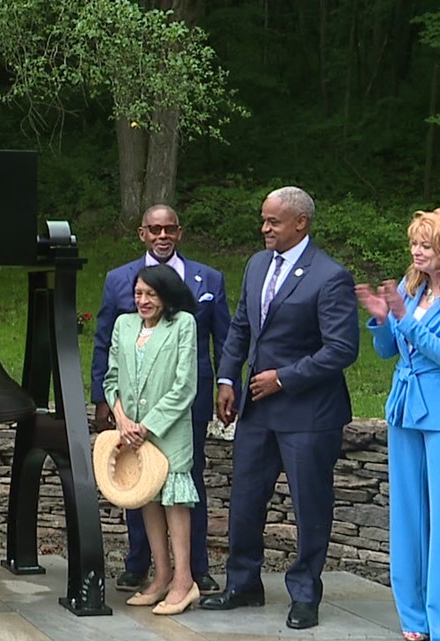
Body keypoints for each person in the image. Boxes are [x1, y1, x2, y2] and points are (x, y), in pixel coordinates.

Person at [200, 186, 359, 631]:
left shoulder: (330, 276)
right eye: (264, 220)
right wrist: (228, 379)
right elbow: (242, 327)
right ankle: (243, 583)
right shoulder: (256, 265)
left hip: (309, 414)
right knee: (246, 499)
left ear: (300, 223)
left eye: (273, 221)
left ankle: (305, 593)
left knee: (310, 505)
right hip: (257, 410)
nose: (264, 228)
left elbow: (342, 350)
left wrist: (284, 377)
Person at [91, 204, 230, 596]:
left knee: (186, 485)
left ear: (179, 232)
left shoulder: (210, 278)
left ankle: (195, 569)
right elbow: (105, 344)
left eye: (169, 228)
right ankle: (141, 565)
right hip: (130, 411)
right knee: (139, 482)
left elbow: (224, 337)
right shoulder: (118, 280)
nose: (162, 235)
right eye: (155, 229)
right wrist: (106, 401)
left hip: (186, 404)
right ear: (143, 233)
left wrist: (226, 382)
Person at [356, 209, 440, 641]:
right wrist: (383, 318)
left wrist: (404, 318)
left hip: (439, 412)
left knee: (439, 519)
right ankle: (414, 619)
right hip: (406, 408)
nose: (417, 251)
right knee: (407, 515)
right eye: (414, 244)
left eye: (426, 244)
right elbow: (391, 351)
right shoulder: (412, 288)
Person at [103, 264, 201, 615]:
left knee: (174, 500)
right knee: (148, 498)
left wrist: (147, 426)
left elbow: (185, 385)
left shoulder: (183, 324)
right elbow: (111, 376)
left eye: (151, 294)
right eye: (138, 293)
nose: (143, 300)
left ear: (167, 295)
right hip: (131, 433)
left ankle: (183, 582)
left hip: (168, 431)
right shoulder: (123, 325)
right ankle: (160, 578)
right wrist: (122, 419)